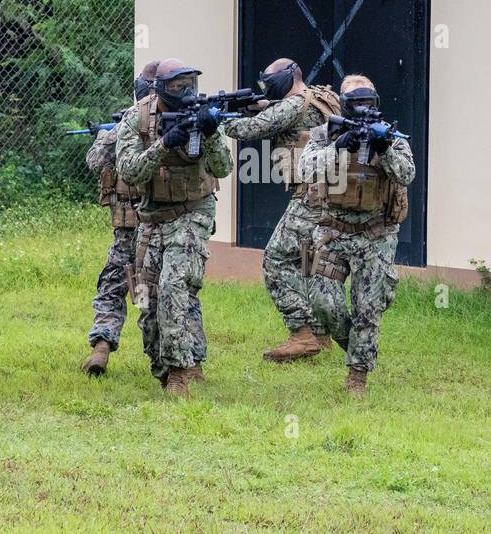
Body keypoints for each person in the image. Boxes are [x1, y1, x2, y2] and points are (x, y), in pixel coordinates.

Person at [114, 59, 234, 397]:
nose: (185, 94)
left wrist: (209, 134)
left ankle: (181, 373)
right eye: (177, 88)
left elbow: (223, 168)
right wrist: (165, 143)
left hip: (194, 211)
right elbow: (129, 171)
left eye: (189, 86)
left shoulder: (204, 113)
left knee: (173, 286)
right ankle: (168, 367)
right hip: (152, 216)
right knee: (147, 300)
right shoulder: (136, 118)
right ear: (161, 89)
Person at [298, 75, 414, 396]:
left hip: (375, 232)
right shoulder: (325, 133)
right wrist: (337, 147)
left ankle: (357, 377)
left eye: (367, 102)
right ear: (344, 104)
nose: (362, 108)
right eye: (355, 102)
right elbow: (305, 170)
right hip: (332, 228)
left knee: (367, 308)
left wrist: (385, 149)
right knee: (322, 301)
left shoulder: (390, 135)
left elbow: (407, 173)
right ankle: (358, 348)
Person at [220, 58, 341, 361]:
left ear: (287, 79)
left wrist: (216, 119)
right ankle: (320, 334)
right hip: (334, 193)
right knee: (307, 261)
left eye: (270, 83)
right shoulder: (324, 97)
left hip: (310, 196)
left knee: (275, 259)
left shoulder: (291, 106)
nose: (267, 88)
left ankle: (301, 333)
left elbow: (250, 130)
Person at [81, 61, 159, 376]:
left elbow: (94, 161)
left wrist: (103, 135)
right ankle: (173, 358)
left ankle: (102, 346)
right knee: (156, 289)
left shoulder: (128, 122)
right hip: (166, 223)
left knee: (113, 285)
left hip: (131, 226)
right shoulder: (179, 120)